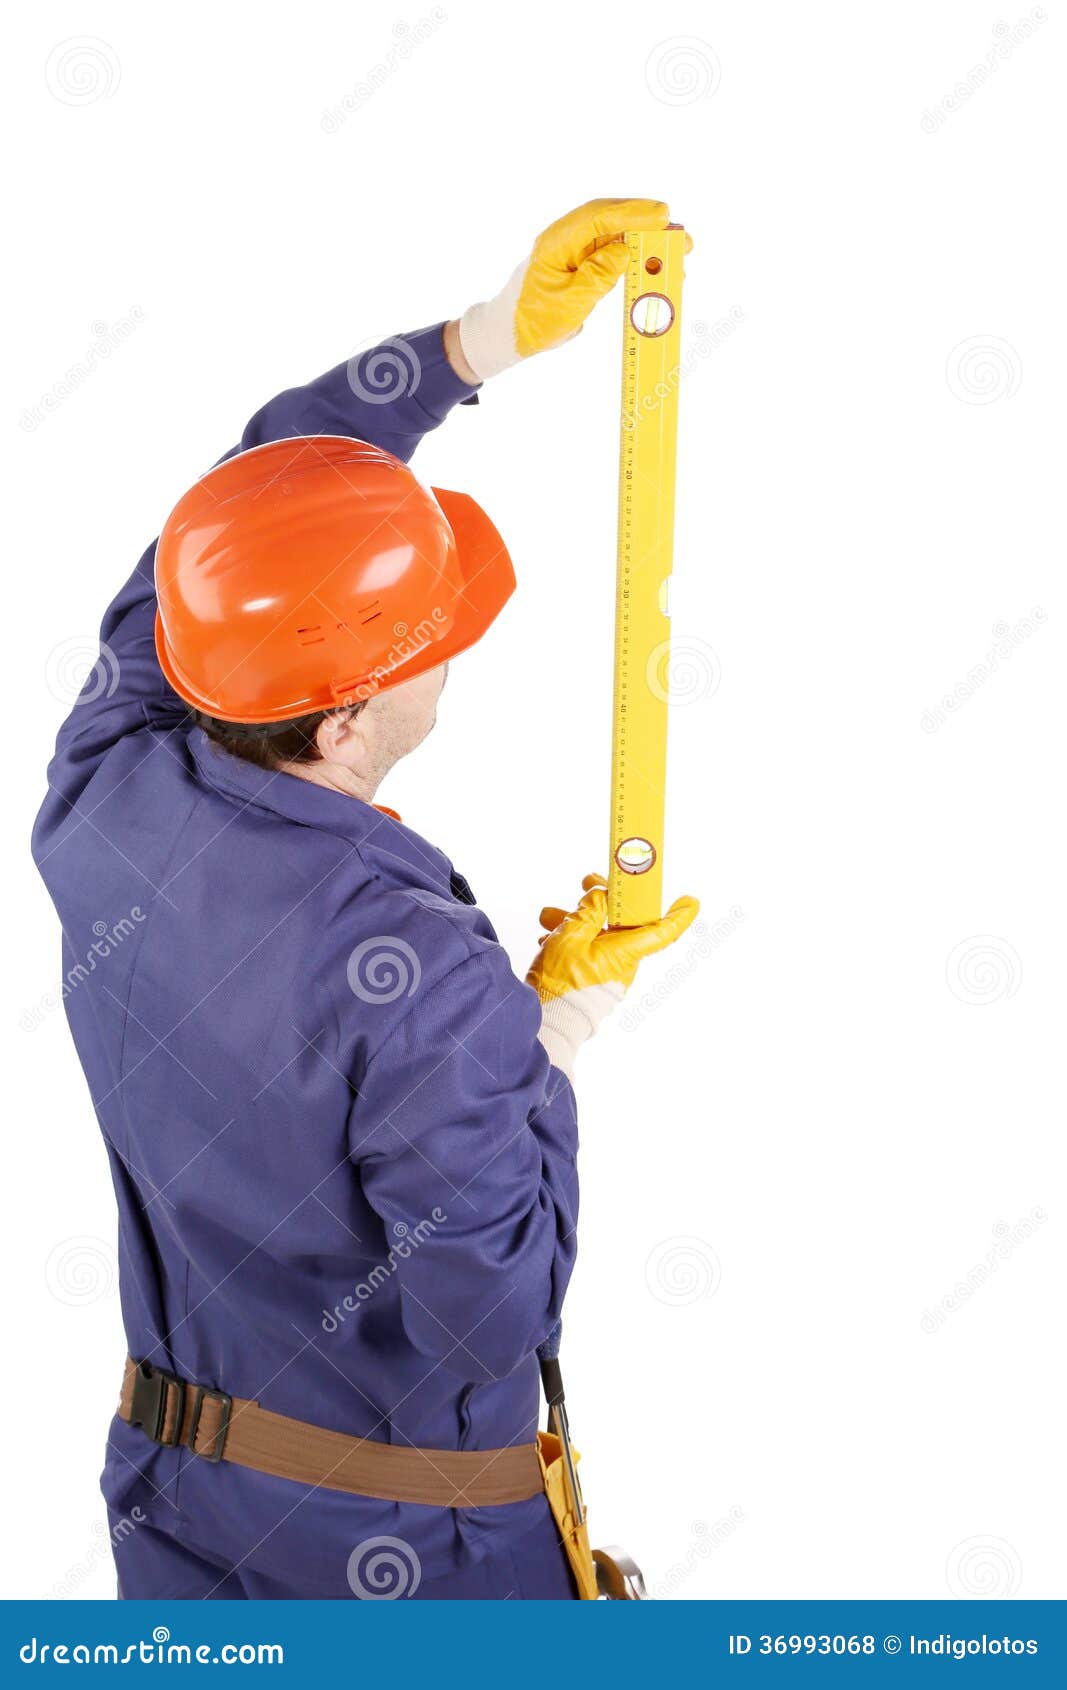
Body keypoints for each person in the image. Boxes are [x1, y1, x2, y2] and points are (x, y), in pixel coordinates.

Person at [32, 198, 697, 1600]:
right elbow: (491, 1316)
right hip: (416, 1563)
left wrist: (477, 343)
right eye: (429, 639)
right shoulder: (419, 968)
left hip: (181, 1510)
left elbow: (240, 520)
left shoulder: (101, 789)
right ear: (344, 723)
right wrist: (549, 1033)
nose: (451, 651)